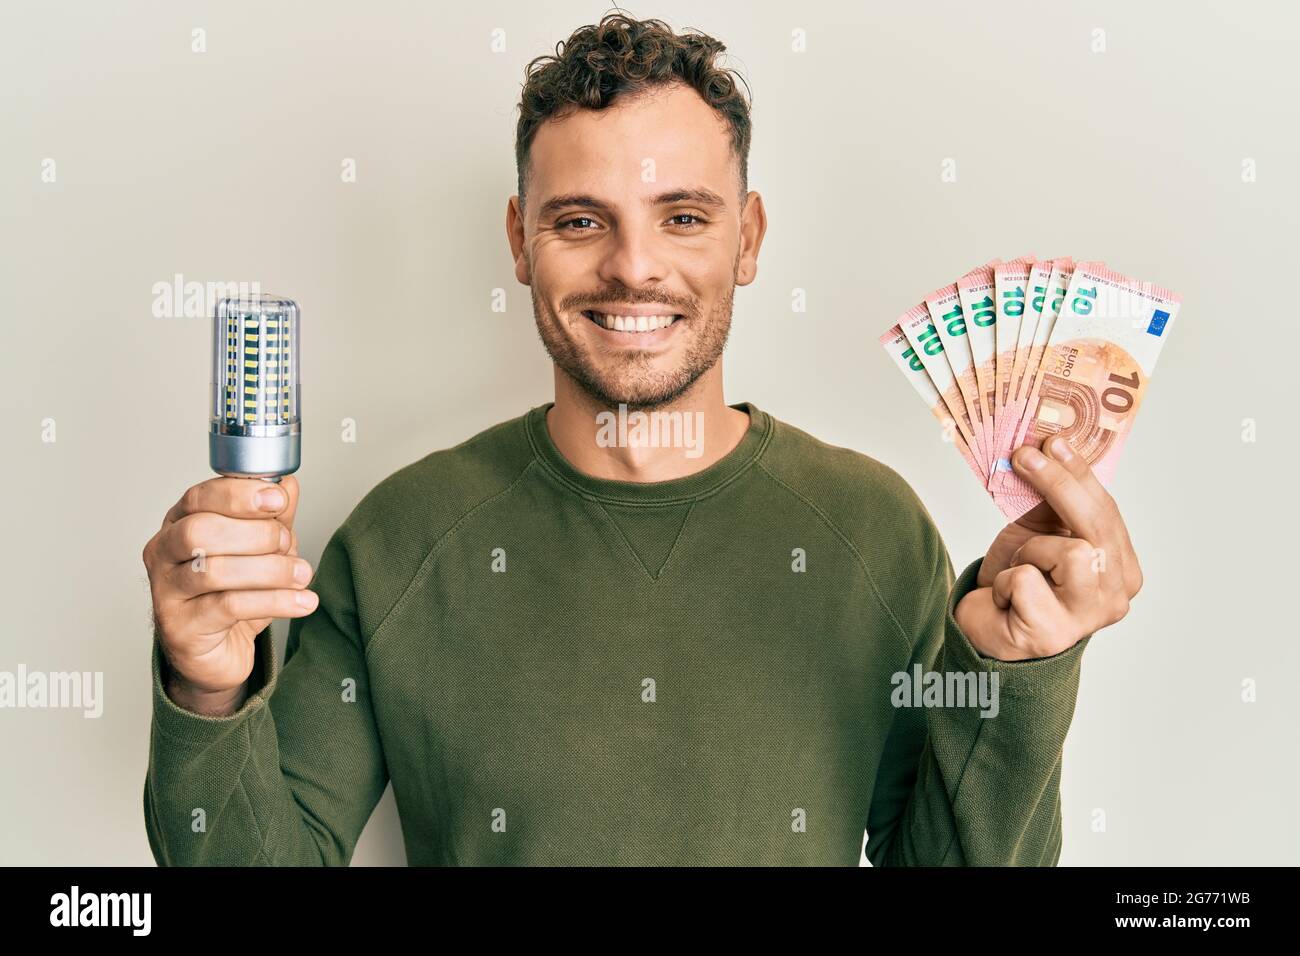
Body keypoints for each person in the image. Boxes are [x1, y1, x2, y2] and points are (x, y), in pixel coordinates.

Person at [141, 13, 1142, 866]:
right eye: (580, 219)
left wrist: (1013, 675)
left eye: (682, 216)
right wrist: (206, 687)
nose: (633, 267)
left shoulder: (871, 529)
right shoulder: (403, 536)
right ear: (518, 240)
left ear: (747, 240)